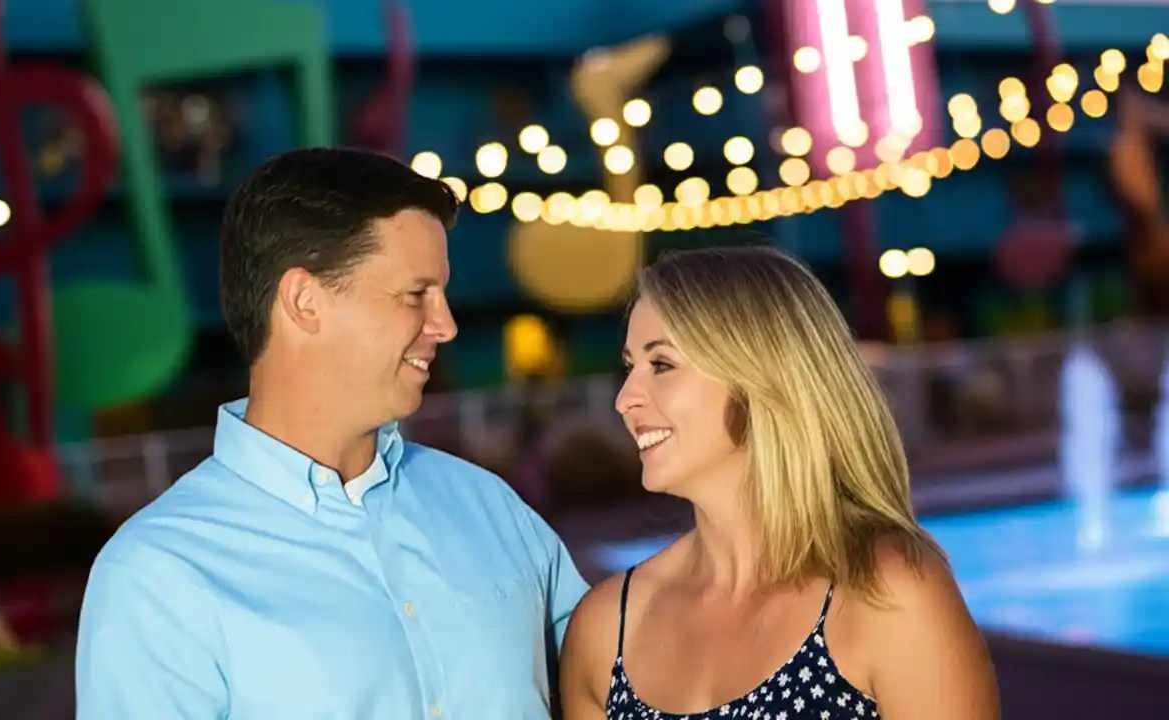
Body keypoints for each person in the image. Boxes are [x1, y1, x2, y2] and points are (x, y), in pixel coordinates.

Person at [75, 147, 589, 719]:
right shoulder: (158, 577)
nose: (445, 326)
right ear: (304, 301)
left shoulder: (492, 508)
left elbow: (615, 686)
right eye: (415, 294)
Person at [560, 247, 999, 719]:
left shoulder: (887, 594)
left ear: (760, 377)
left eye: (661, 364)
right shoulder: (607, 629)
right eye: (630, 367)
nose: (625, 399)